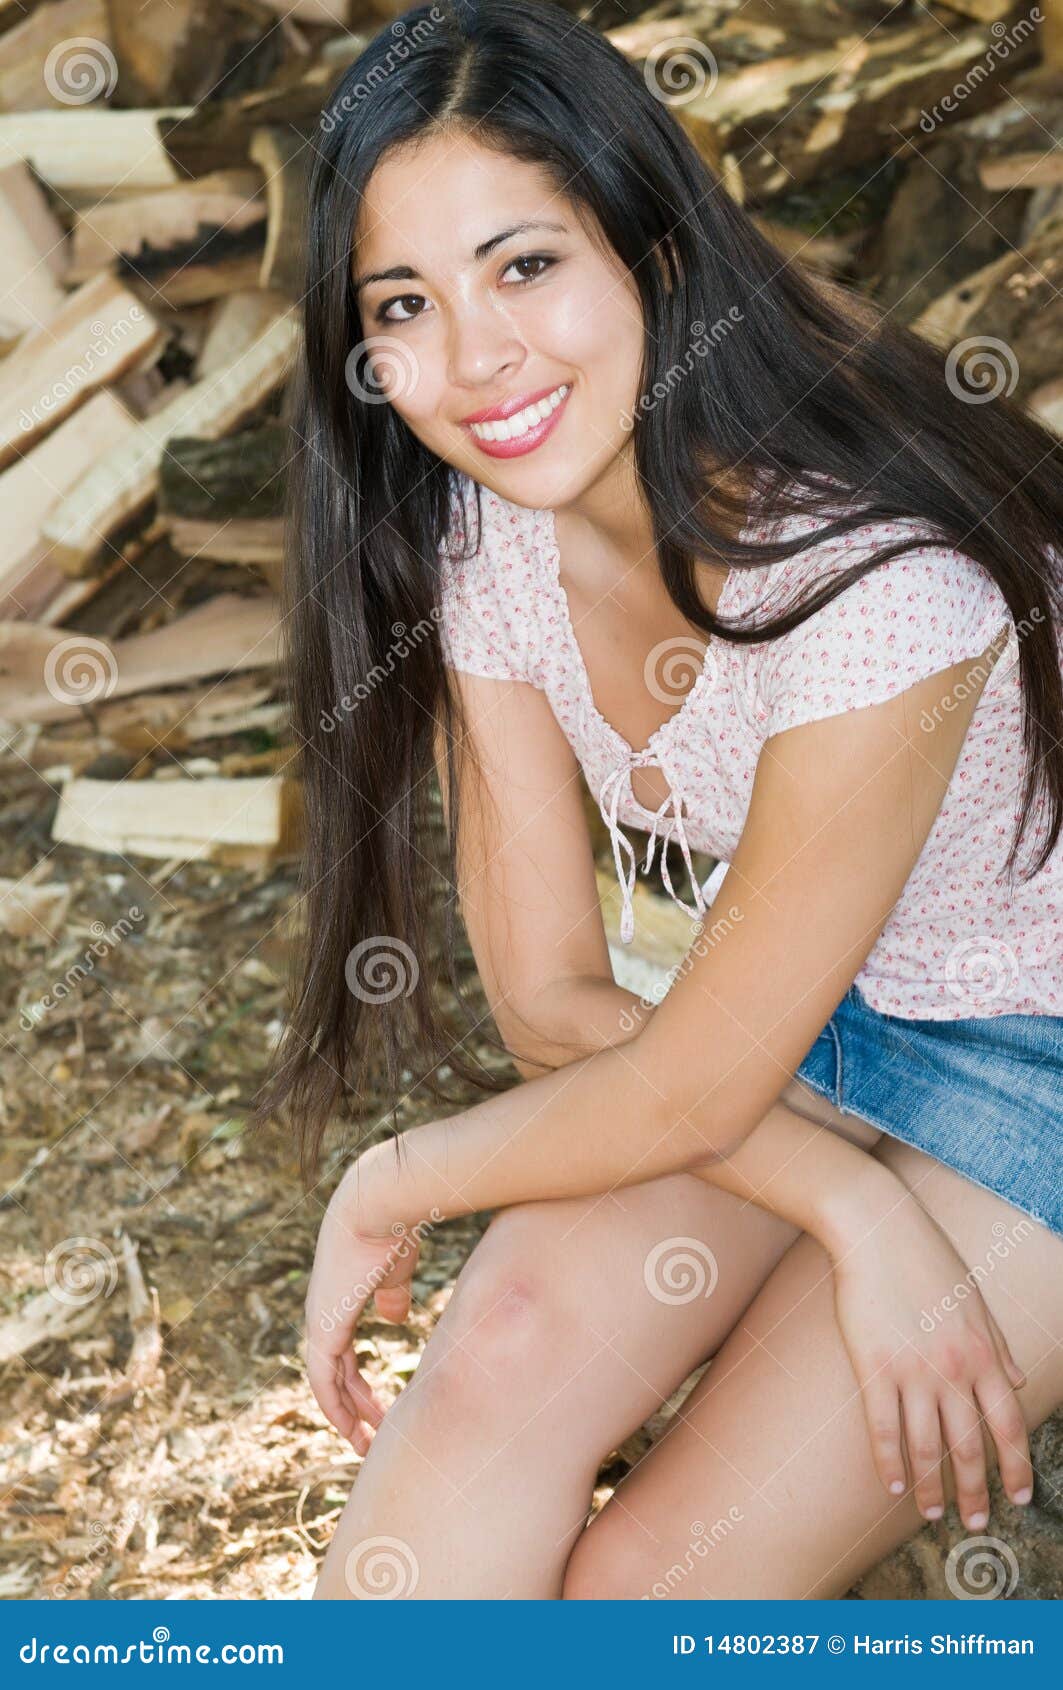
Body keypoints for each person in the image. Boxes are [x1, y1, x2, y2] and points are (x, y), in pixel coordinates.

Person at [255, 0, 1063, 1599]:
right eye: (405, 302)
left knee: (657, 1587)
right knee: (503, 1354)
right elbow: (556, 996)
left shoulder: (876, 587)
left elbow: (687, 1080)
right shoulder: (489, 540)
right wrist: (847, 1204)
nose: (475, 359)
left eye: (527, 265)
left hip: (1042, 1056)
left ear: (658, 252)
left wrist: (395, 1172)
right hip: (800, 1016)